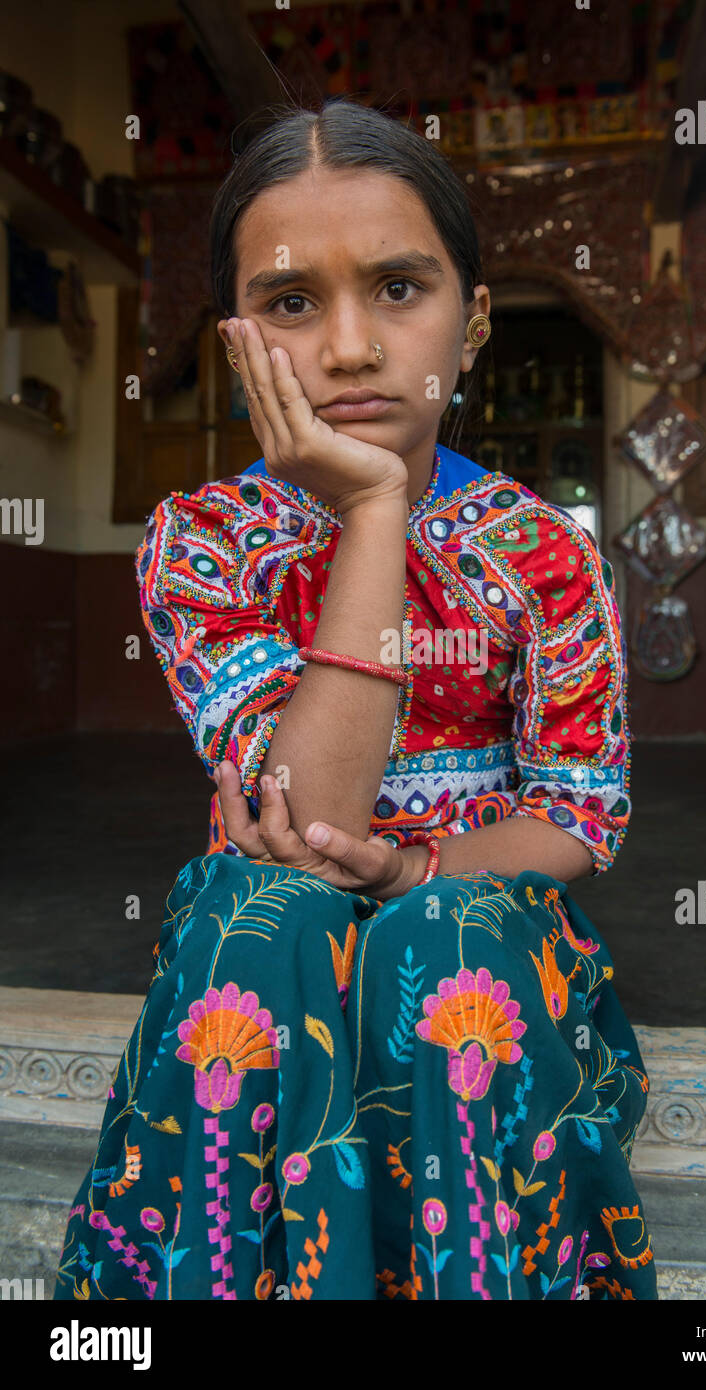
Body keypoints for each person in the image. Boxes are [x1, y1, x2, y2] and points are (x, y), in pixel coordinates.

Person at [53, 97, 657, 1301]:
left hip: (475, 936)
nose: (347, 346)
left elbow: (583, 818)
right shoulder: (205, 545)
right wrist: (377, 510)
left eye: (397, 288)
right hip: (270, 968)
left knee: (442, 945)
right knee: (269, 915)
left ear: (473, 322)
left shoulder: (543, 553)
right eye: (290, 302)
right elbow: (305, 809)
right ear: (235, 342)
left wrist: (419, 877)